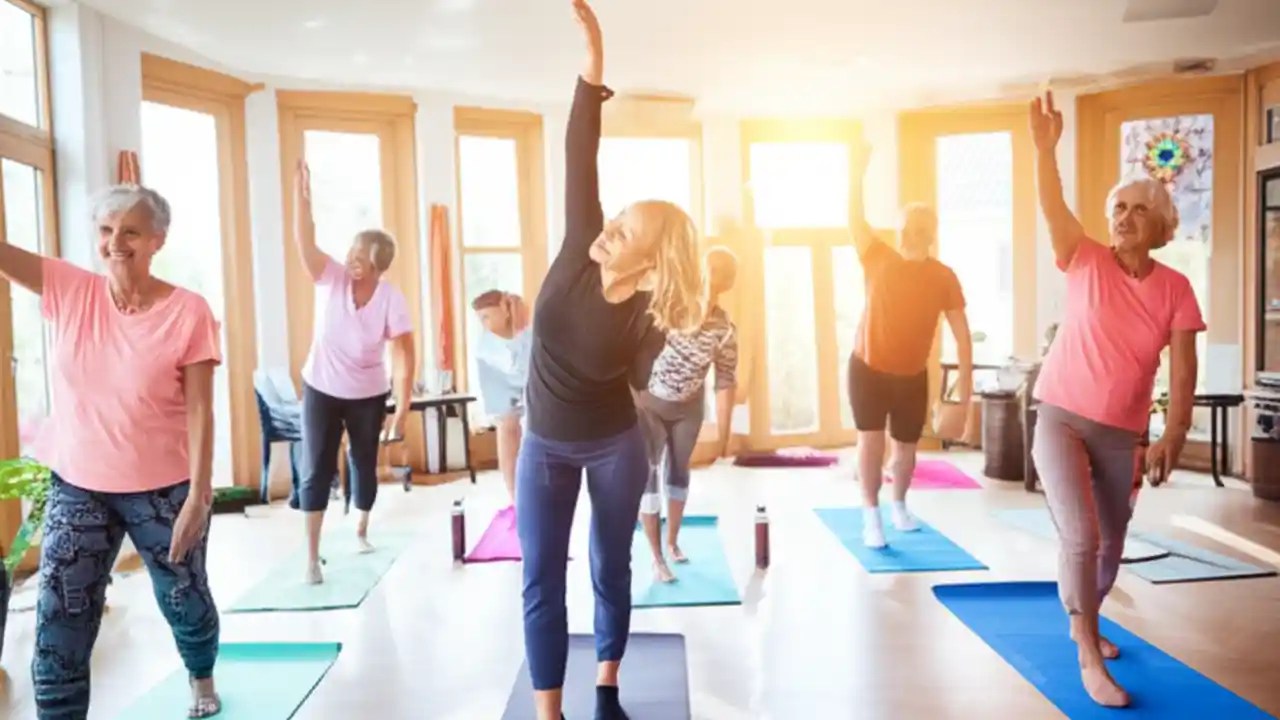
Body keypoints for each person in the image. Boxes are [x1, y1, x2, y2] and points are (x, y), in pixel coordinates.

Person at [515, 2, 705, 717]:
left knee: (608, 565)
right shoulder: (576, 246)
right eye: (616, 220)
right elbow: (578, 150)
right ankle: (548, 710)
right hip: (544, 445)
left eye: (624, 233)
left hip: (614, 446)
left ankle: (606, 684)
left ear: (651, 264)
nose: (608, 232)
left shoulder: (649, 318)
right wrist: (593, 67)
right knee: (539, 574)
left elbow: (646, 381)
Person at [0, 185, 223, 718]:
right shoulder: (71, 289)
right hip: (79, 483)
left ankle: (201, 674)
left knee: (184, 600)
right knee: (60, 621)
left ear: (156, 240)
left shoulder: (189, 312)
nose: (115, 242)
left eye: (130, 231)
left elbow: (200, 411)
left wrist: (199, 495)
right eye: (105, 230)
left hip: (165, 488)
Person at [1029, 90, 1203, 708]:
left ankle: (1087, 612)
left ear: (1159, 226)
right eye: (1117, 208)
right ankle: (1085, 648)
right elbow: (1053, 208)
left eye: (1137, 209)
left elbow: (1183, 372)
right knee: (1079, 536)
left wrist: (1172, 435)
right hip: (1059, 418)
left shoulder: (1176, 289)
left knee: (1110, 544)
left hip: (1119, 432)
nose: (1124, 217)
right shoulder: (1085, 259)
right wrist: (1045, 152)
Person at [292, 160, 416, 585]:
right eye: (352, 252)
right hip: (322, 386)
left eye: (361, 256)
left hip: (367, 391)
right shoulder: (331, 278)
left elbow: (403, 354)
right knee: (316, 465)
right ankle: (311, 556)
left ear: (379, 265)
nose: (351, 260)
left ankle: (360, 527)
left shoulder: (390, 298)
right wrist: (301, 199)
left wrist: (402, 407)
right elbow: (305, 244)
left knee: (363, 461)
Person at [848, 140, 973, 549]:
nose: (911, 236)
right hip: (867, 368)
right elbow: (853, 216)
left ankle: (898, 504)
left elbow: (961, 334)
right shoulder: (877, 256)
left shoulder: (944, 276)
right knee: (870, 441)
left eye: (920, 230)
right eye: (906, 228)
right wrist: (856, 170)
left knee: (905, 447)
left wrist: (965, 398)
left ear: (932, 235)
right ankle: (871, 514)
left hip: (911, 375)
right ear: (899, 230)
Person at [635, 246, 738, 583]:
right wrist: (635, 396)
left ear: (725, 283)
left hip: (688, 409)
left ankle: (673, 541)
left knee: (678, 472)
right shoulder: (669, 307)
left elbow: (725, 380)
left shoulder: (724, 329)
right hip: (650, 406)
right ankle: (656, 556)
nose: (710, 283)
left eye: (719, 278)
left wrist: (724, 436)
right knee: (648, 476)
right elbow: (631, 348)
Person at [471, 289, 532, 504]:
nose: (483, 323)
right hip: (502, 389)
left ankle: (529, 492)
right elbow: (512, 366)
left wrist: (519, 329)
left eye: (487, 316)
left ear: (504, 311)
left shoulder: (528, 333)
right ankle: (514, 496)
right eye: (480, 318)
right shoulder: (486, 346)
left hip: (532, 389)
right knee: (508, 427)